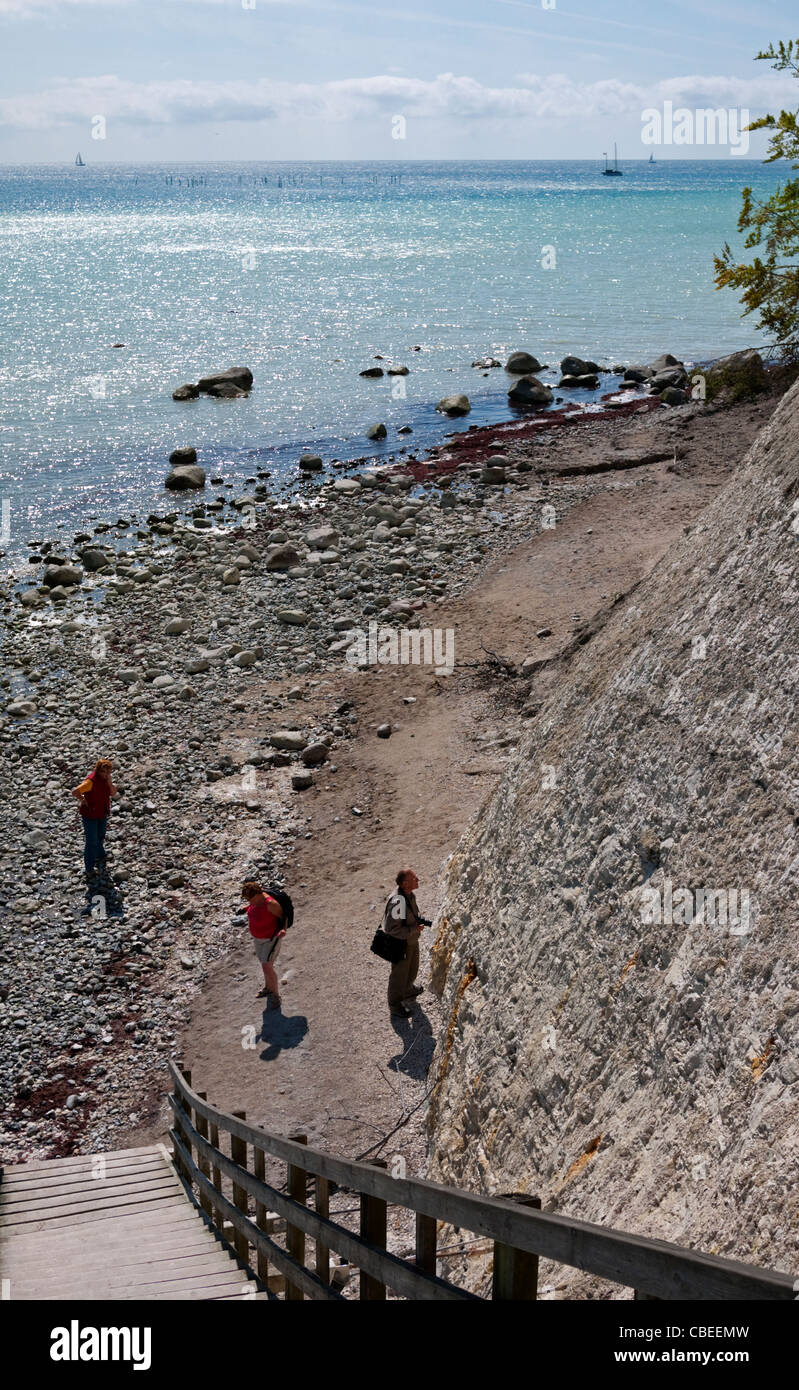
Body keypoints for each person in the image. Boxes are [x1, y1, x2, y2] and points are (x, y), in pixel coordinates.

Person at [382, 869, 432, 1019]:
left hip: (411, 940)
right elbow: (392, 929)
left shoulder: (409, 895)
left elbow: (412, 915)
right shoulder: (398, 901)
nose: (418, 879)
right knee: (399, 975)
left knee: (412, 968)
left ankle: (408, 989)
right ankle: (395, 1005)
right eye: (414, 878)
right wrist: (413, 929)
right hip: (401, 944)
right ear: (405, 884)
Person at [242, 881, 286, 1007]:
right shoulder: (255, 902)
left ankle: (276, 995)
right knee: (264, 964)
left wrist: (283, 929)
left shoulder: (271, 904)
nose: (249, 902)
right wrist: (245, 908)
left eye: (250, 899)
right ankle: (268, 988)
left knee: (267, 967)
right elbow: (254, 908)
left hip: (270, 939)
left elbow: (283, 916)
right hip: (258, 938)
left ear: (258, 894)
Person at [72, 758, 116, 879]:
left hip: (102, 812)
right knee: (91, 841)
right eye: (104, 772)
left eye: (108, 772)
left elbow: (112, 793)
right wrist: (82, 799)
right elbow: (75, 791)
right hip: (90, 815)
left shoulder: (106, 780)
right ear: (98, 770)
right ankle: (89, 868)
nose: (106, 774)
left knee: (101, 835)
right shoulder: (90, 781)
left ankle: (100, 855)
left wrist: (110, 782)